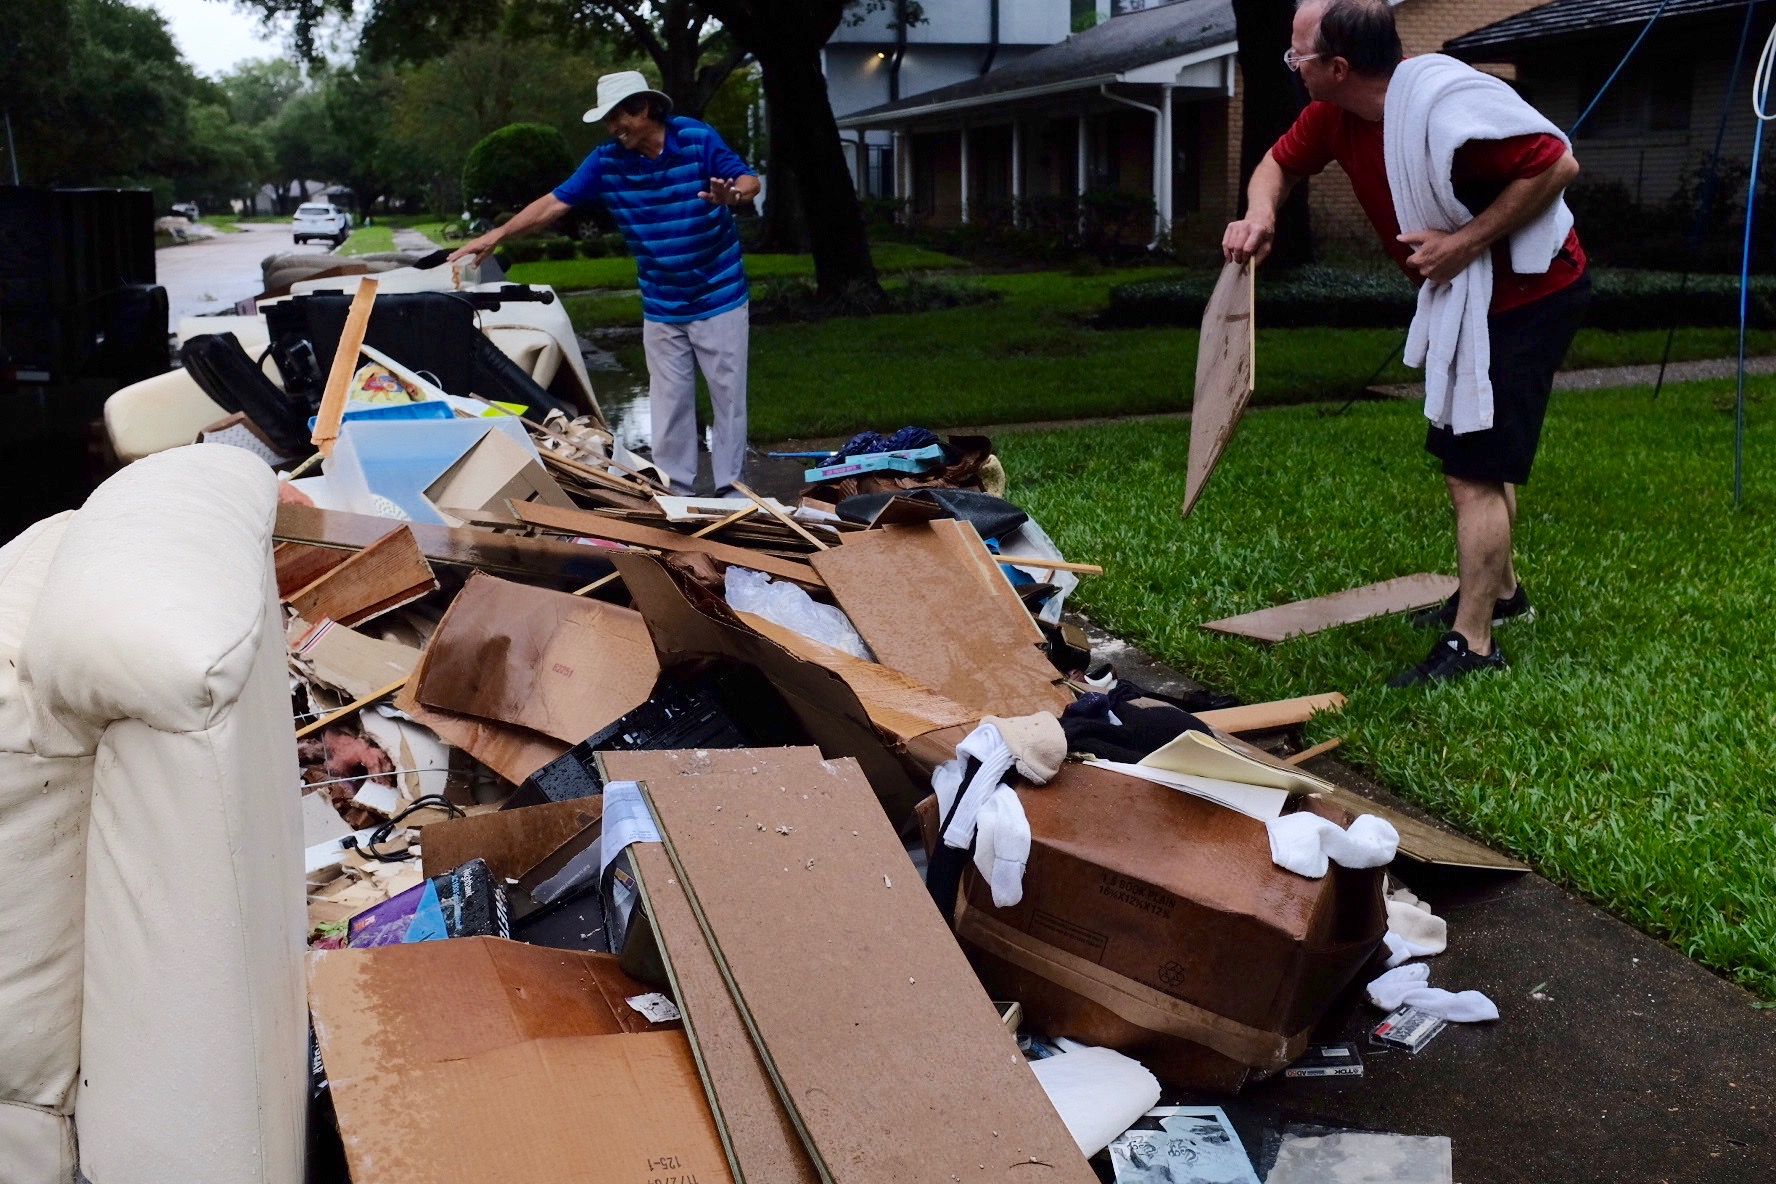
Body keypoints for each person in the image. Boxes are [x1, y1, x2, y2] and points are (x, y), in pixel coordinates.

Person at [1224, 0, 1589, 687]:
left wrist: (1463, 243)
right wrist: (1259, 214)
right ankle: (1503, 595)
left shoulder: (1444, 111)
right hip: (1469, 297)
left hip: (1532, 294)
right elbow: (1277, 162)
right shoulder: (1335, 114)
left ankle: (1474, 644)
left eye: (1296, 57)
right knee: (1476, 450)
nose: (1291, 67)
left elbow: (1559, 165)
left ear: (1336, 66)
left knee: (1472, 471)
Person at [450, 70, 761, 496]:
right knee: (668, 405)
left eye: (619, 117)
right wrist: (498, 234)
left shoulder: (696, 138)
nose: (614, 129)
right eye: (608, 121)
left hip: (719, 294)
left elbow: (748, 180)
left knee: (728, 401)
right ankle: (678, 492)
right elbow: (552, 204)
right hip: (662, 301)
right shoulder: (607, 161)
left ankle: (731, 492)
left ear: (644, 108)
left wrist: (734, 197)